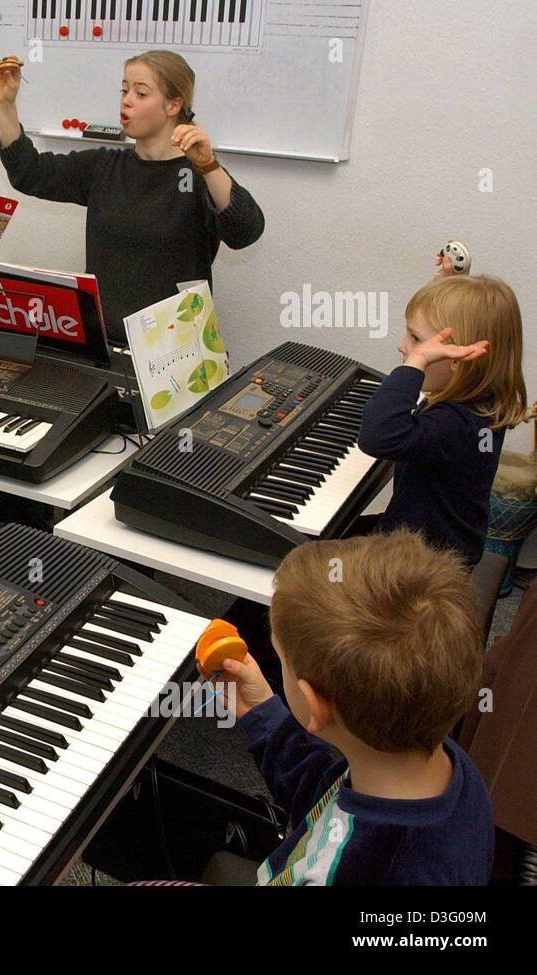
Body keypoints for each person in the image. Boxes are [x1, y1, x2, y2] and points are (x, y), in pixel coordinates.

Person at [219, 530, 493, 884]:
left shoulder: (367, 870)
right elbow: (328, 806)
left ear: (315, 704)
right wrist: (264, 714)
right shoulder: (442, 765)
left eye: (281, 660)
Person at [0, 49, 263, 341]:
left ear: (173, 105)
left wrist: (208, 166)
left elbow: (245, 232)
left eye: (141, 93)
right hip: (107, 344)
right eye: (124, 90)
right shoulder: (104, 166)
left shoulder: (197, 174)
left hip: (176, 349)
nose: (126, 100)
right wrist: (6, 105)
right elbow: (29, 173)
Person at [358, 274, 527, 564]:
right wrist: (442, 284)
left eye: (416, 339)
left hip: (424, 570)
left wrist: (415, 364)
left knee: (308, 569)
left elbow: (378, 436)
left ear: (459, 360)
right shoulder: (481, 404)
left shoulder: (454, 425)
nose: (403, 346)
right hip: (444, 546)